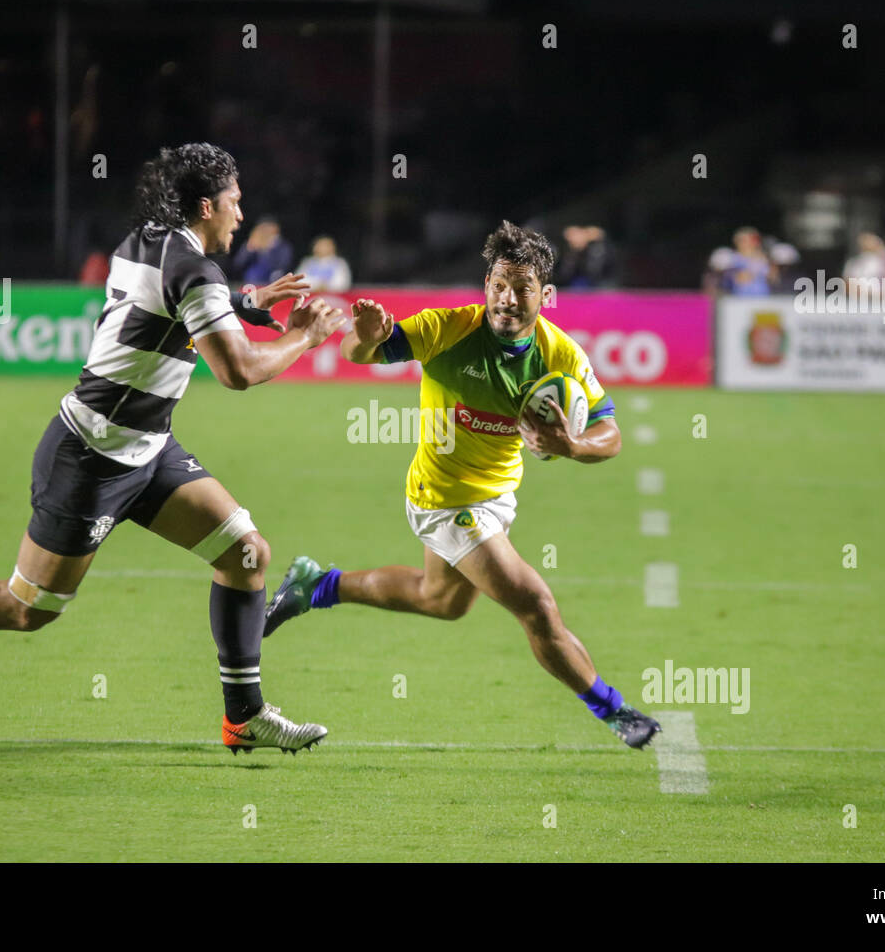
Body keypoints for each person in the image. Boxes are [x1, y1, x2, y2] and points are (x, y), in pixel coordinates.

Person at [0, 143, 348, 756]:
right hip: (88, 457)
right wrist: (304, 334)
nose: (242, 215)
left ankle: (245, 716)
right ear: (207, 205)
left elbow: (158, 311)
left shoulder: (145, 241)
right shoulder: (192, 270)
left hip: (148, 449)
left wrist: (244, 304)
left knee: (245, 553)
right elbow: (238, 371)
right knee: (26, 608)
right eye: (236, 202)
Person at [263, 220, 662, 750]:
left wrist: (574, 446)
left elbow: (609, 433)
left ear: (545, 294)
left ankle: (314, 585)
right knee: (536, 605)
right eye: (498, 284)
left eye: (521, 288)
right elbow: (359, 353)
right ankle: (614, 710)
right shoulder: (448, 328)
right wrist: (371, 335)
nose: (507, 298)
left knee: (441, 600)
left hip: (497, 495)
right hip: (444, 498)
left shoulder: (559, 353)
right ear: (486, 286)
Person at [704, 227, 775, 296]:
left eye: (754, 239)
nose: (749, 243)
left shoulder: (765, 259)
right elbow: (716, 279)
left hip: (762, 298)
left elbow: (773, 279)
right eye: (744, 240)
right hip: (737, 300)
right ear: (736, 241)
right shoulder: (729, 257)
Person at [231, 217, 292, 285]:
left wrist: (268, 250)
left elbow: (282, 266)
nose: (265, 233)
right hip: (249, 283)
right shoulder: (252, 243)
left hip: (271, 282)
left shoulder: (281, 246)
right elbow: (238, 264)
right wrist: (249, 249)